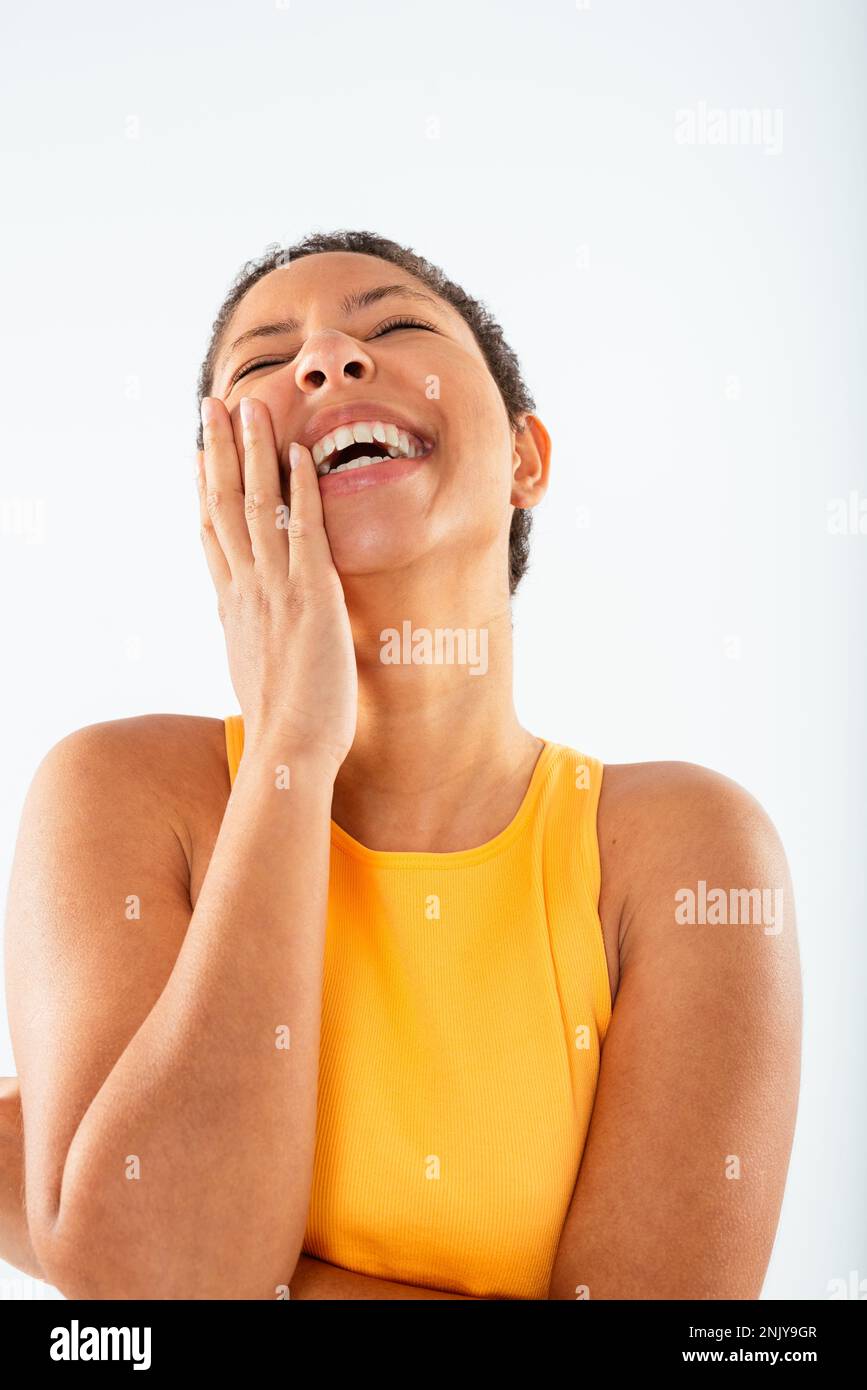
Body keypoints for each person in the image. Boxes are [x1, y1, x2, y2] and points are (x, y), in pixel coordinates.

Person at [1, 230, 801, 1300]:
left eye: (398, 326)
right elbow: (158, 1283)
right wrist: (292, 742)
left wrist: (280, 1282)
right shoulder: (118, 792)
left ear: (526, 457)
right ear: (217, 481)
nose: (328, 359)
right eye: (263, 361)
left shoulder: (692, 849)